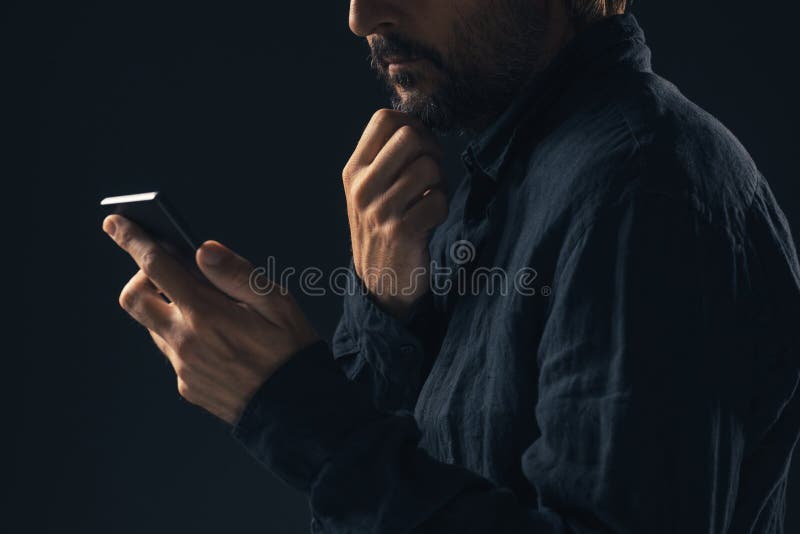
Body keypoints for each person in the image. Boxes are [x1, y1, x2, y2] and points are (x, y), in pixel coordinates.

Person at [102, 0, 800, 532]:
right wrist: (386, 312)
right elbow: (415, 488)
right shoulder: (515, 173)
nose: (361, 16)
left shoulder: (642, 191)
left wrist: (285, 403)